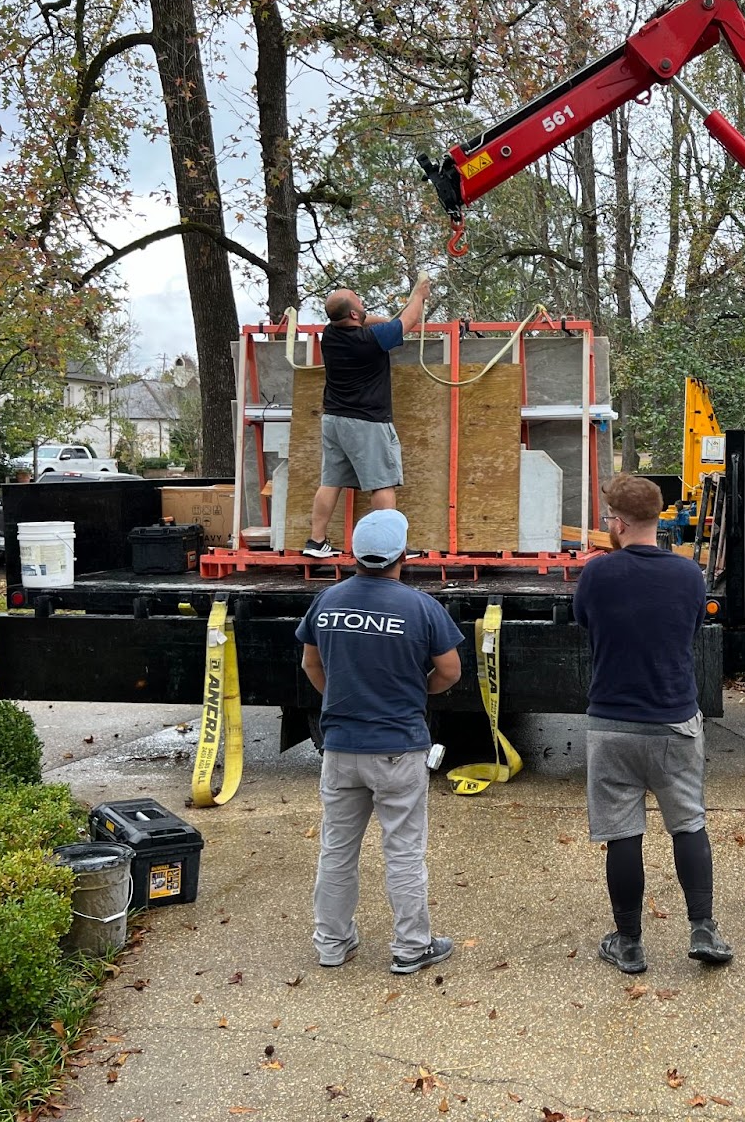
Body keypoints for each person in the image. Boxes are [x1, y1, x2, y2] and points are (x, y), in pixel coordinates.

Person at [572, 474, 733, 974]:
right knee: (688, 823)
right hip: (674, 719)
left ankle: (630, 943)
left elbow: (584, 625)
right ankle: (703, 928)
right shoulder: (688, 576)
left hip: (612, 721)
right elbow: (691, 630)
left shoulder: (596, 575)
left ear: (616, 523)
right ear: (657, 518)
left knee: (623, 833)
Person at [296, 508, 465, 973]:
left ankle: (332, 943)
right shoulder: (420, 607)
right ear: (402, 555)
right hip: (397, 746)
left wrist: (343, 699)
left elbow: (312, 665)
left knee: (337, 848)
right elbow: (449, 670)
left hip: (341, 747)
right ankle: (411, 947)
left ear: (352, 554)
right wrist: (414, 694)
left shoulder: (327, 602)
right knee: (404, 850)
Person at [302, 275, 433, 559]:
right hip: (366, 422)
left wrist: (381, 319)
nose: (363, 305)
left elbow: (366, 320)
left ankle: (316, 542)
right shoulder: (367, 341)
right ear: (352, 313)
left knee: (331, 480)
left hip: (334, 420)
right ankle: (393, 546)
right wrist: (419, 296)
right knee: (382, 482)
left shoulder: (331, 333)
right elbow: (407, 323)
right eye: (359, 303)